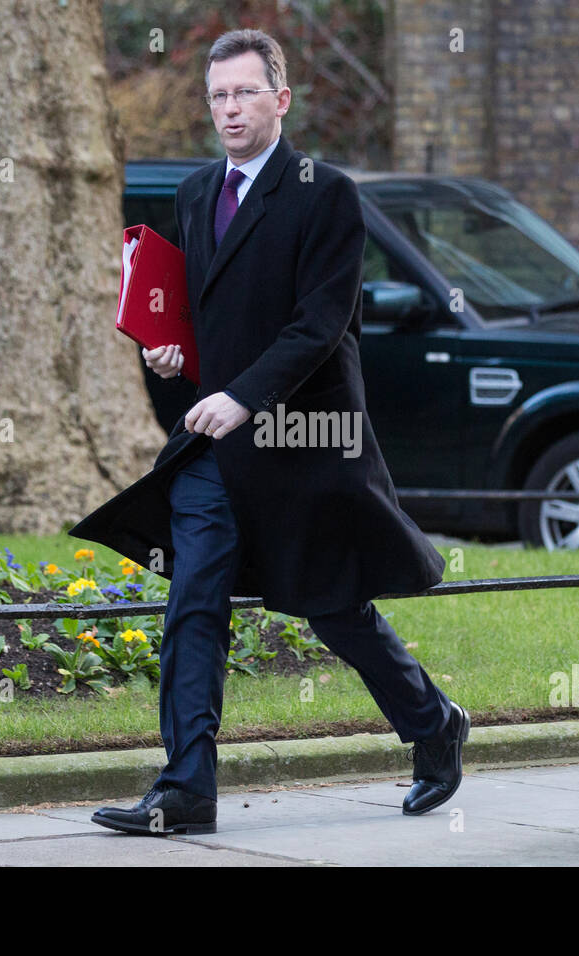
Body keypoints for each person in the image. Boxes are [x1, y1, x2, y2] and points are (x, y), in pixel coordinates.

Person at [77, 28, 468, 836]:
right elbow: (214, 314)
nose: (230, 108)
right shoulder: (194, 194)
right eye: (218, 95)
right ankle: (187, 788)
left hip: (303, 442)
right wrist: (175, 349)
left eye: (246, 92)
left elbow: (319, 324)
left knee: (331, 607)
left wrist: (242, 397)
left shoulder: (327, 192)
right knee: (195, 602)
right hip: (217, 450)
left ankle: (434, 725)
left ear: (280, 100)